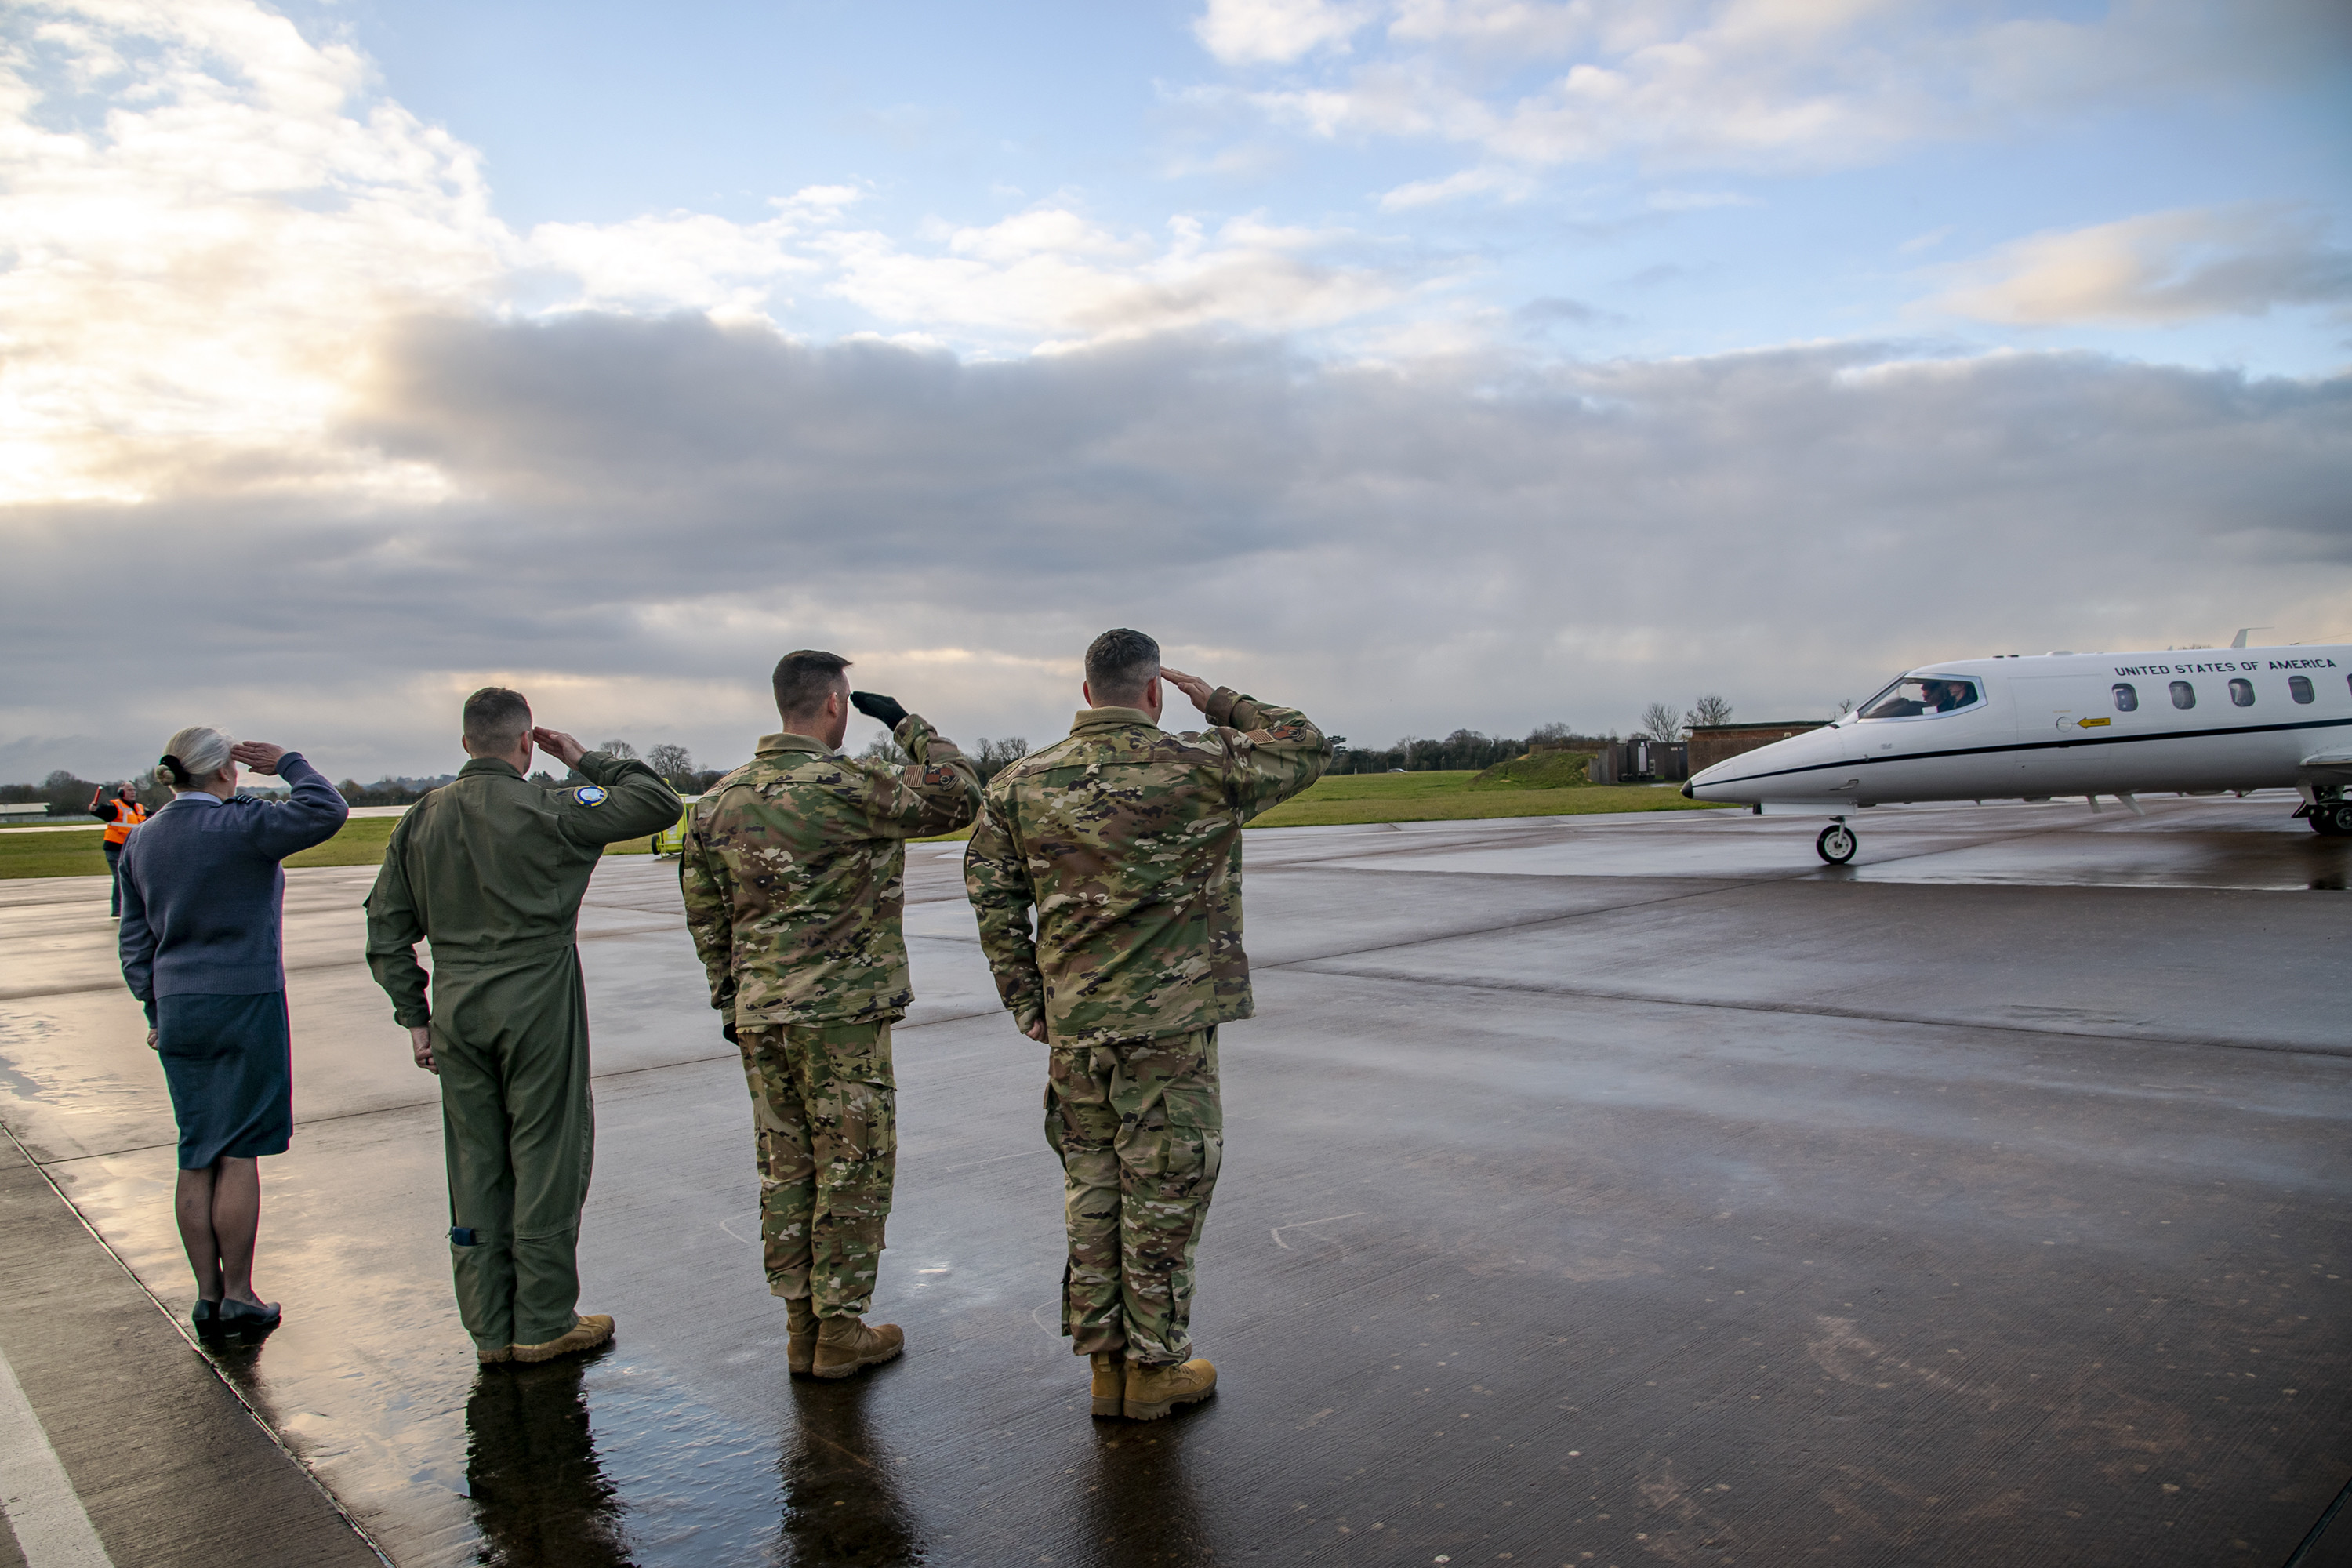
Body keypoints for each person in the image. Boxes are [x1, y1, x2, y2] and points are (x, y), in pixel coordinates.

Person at [963, 629, 1328, 1421]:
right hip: (1169, 1026)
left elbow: (989, 893)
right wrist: (1218, 698)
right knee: (1163, 1188)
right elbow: (1303, 743)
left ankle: (1107, 1369)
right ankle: (1153, 1366)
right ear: (1154, 691)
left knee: (1093, 1188)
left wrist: (1027, 998)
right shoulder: (1199, 767)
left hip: (1076, 1027)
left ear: (1087, 692)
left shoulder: (1020, 782)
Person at [680, 651, 982, 1379]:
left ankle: (800, 1328)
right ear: (835, 707)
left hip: (761, 1016)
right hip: (841, 1016)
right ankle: (839, 1331)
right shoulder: (852, 787)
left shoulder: (719, 801)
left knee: (786, 1170)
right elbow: (962, 793)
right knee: (852, 1167)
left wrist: (734, 997)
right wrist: (908, 724)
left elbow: (704, 913)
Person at [364, 688, 680, 1366]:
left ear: (465, 744)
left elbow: (385, 929)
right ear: (526, 742)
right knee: (546, 1153)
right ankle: (541, 1320)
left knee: (475, 1160)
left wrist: (415, 1019)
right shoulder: (549, 806)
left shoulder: (421, 818)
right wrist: (583, 758)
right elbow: (660, 804)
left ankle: (488, 1326)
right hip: (537, 999)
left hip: (455, 1003)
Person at [117, 726, 349, 1338]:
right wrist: (289, 763)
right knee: (239, 1149)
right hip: (245, 997)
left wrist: (155, 1008)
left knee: (196, 1150)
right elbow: (327, 810)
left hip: (179, 1004)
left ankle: (207, 1295)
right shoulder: (241, 827)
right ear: (225, 772)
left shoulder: (141, 839)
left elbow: (135, 942)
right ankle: (241, 1294)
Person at [89, 780, 149, 918]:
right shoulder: (116, 806)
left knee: (136, 877)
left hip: (133, 848)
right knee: (120, 877)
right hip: (116, 848)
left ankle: (135, 907)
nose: (133, 792)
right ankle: (117, 908)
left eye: (134, 790)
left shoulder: (140, 808)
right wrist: (95, 810)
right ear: (121, 793)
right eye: (129, 790)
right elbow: (102, 812)